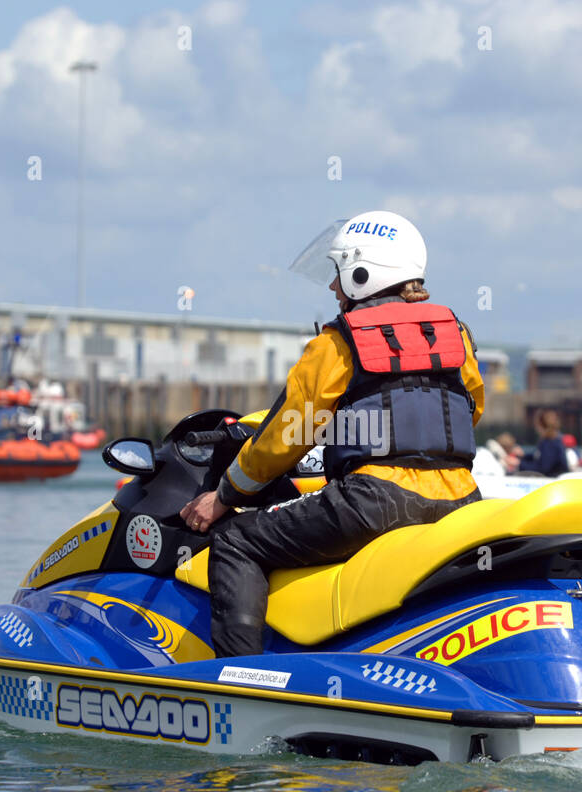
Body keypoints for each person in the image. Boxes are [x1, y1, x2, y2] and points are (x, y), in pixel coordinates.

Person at [178, 211, 485, 658]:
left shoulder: (338, 343)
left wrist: (223, 497)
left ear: (363, 273)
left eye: (338, 273)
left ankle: (238, 680)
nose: (333, 287)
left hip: (374, 503)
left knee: (235, 540)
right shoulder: (454, 334)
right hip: (461, 499)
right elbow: (469, 411)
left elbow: (284, 435)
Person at [532, 409, 569, 476]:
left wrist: (519, 464)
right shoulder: (556, 440)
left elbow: (544, 469)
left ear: (541, 426)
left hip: (553, 480)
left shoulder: (550, 443)